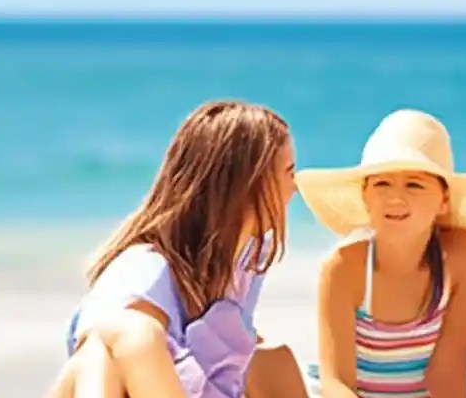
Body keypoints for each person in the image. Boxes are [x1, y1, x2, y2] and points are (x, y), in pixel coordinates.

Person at [48, 100, 306, 398]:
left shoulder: (246, 261)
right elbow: (98, 360)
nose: (295, 187)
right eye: (288, 172)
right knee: (130, 337)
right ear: (248, 184)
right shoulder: (143, 268)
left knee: (274, 361)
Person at [296, 109, 466, 398]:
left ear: (444, 200)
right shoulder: (343, 267)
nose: (395, 198)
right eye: (381, 183)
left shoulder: (465, 256)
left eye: (414, 184)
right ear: (365, 196)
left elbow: (449, 373)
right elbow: (336, 383)